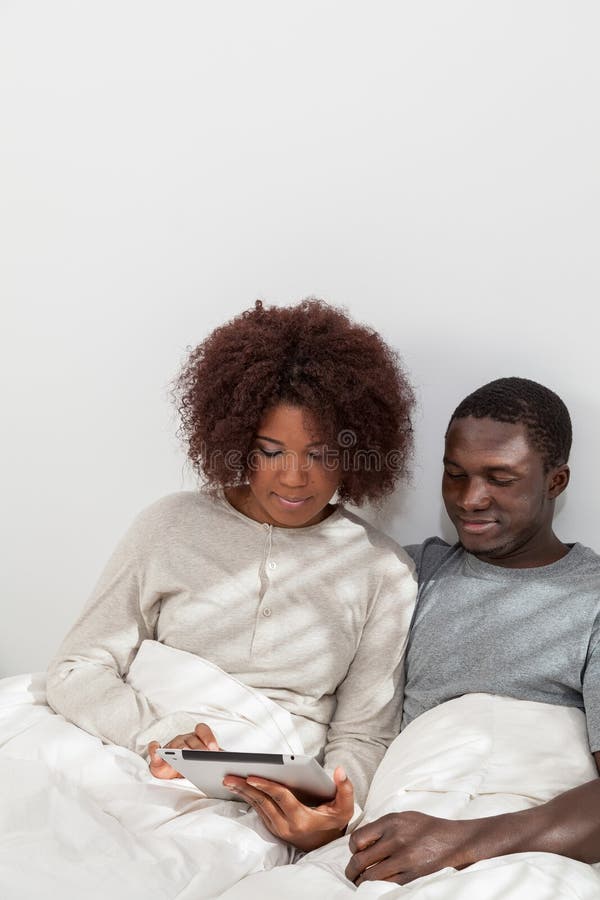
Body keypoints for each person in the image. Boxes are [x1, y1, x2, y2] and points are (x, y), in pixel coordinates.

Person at [46, 297, 417, 853]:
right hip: (129, 756)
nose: (295, 478)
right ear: (237, 441)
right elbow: (77, 668)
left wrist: (335, 812)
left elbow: (363, 733)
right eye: (271, 451)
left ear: (356, 449)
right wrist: (158, 737)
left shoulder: (381, 571)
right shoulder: (169, 526)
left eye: (318, 454)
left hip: (266, 800)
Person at [346, 376, 600, 886]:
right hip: (398, 821)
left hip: (519, 841)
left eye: (500, 479)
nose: (470, 498)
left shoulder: (592, 600)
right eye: (454, 474)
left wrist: (459, 842)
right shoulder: (409, 573)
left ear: (556, 481)